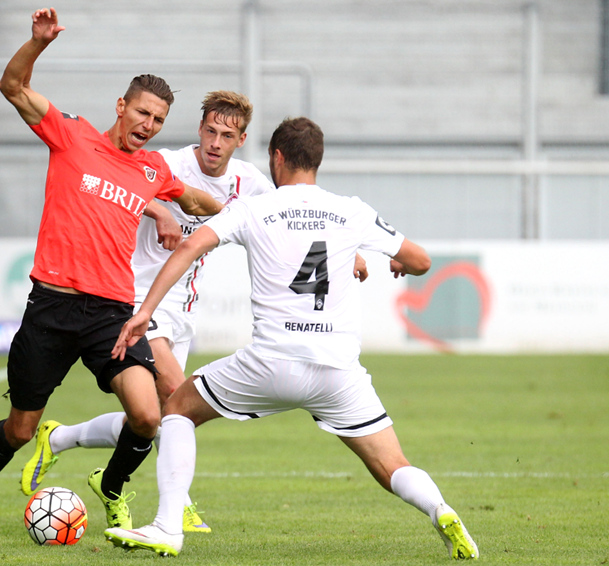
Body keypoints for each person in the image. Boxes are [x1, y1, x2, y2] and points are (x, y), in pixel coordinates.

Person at [103, 117, 479, 560]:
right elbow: (420, 261)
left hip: (271, 363)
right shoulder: (350, 209)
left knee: (179, 409)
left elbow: (189, 247)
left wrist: (145, 312)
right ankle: (440, 510)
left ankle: (168, 526)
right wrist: (400, 265)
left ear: (276, 158)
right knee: (393, 465)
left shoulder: (252, 208)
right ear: (317, 161)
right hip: (338, 372)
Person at [18, 92, 371, 534]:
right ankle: (175, 505)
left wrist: (350, 252)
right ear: (199, 129)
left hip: (184, 308)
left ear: (241, 139)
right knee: (176, 397)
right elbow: (122, 179)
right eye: (209, 131)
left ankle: (62, 439)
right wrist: (160, 207)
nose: (215, 142)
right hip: (138, 296)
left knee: (160, 416)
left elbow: (299, 212)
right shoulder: (167, 163)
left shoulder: (251, 183)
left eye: (226, 135)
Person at [0, 7, 223, 536]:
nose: (147, 126)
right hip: (51, 309)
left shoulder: (153, 169)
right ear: (121, 106)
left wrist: (247, 216)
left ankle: (112, 487)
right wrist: (37, 44)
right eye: (141, 113)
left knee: (150, 415)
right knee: (19, 428)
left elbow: (197, 197)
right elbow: (12, 85)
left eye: (157, 121)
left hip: (111, 314)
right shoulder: (71, 136)